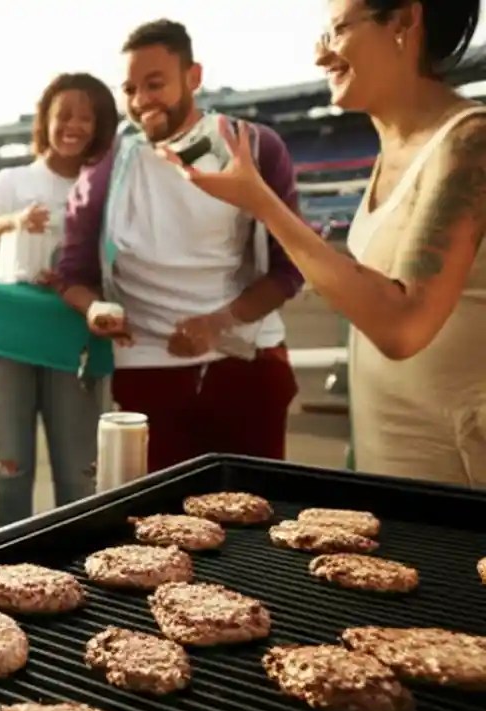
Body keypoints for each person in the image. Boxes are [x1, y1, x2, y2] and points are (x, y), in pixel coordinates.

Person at [168, 0, 485, 487]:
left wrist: (264, 202)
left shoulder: (470, 142)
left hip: (463, 485)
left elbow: (401, 324)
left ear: (402, 21)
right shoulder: (397, 148)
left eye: (336, 30)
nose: (320, 55)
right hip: (400, 475)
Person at [56, 19, 305, 473]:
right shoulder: (106, 167)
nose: (139, 101)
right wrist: (95, 310)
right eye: (129, 89)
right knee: (157, 526)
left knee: (254, 516)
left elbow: (290, 269)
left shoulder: (253, 146)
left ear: (193, 77)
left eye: (155, 84)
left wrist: (218, 324)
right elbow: (73, 274)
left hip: (246, 360)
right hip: (146, 367)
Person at [0, 73, 120, 524]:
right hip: (11, 329)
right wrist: (11, 221)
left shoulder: (106, 184)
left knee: (79, 472)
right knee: (8, 465)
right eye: (64, 114)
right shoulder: (12, 180)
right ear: (44, 120)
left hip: (74, 328)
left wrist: (75, 282)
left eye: (87, 117)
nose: (74, 125)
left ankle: (79, 568)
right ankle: (2, 570)